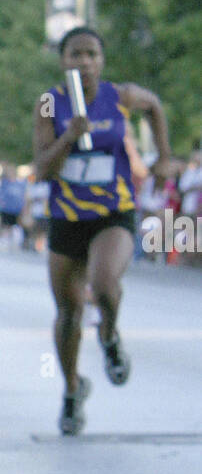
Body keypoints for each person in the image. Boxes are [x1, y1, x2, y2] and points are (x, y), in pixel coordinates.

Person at [32, 25, 173, 435]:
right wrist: (69, 138)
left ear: (102, 60)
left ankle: (110, 336)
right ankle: (73, 389)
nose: (84, 62)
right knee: (68, 313)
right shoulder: (49, 104)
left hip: (114, 211)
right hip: (67, 217)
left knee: (104, 281)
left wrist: (164, 157)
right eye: (75, 54)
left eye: (92, 54)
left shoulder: (121, 97)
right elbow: (41, 168)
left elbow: (156, 106)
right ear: (63, 61)